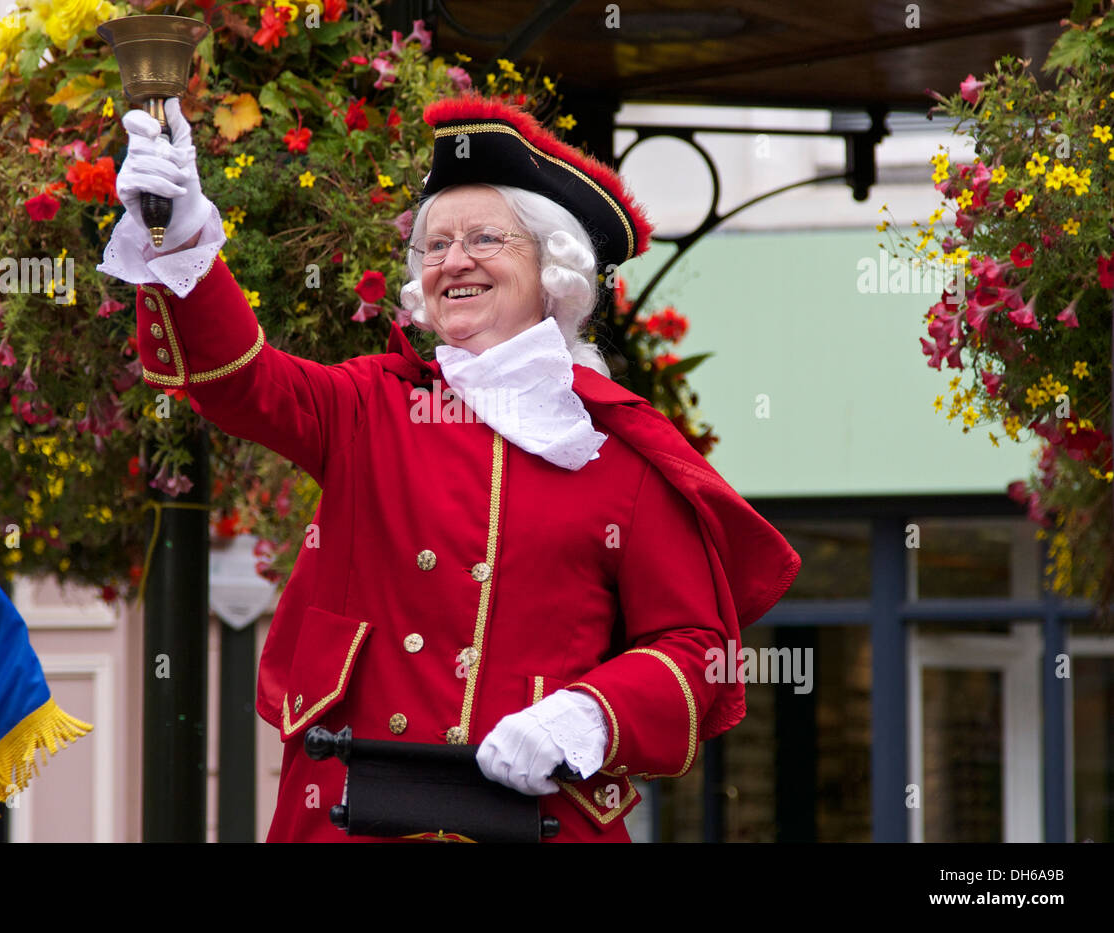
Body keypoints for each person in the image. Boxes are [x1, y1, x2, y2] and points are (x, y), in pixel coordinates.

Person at [98, 94, 801, 842]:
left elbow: (695, 648)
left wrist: (587, 714)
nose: (453, 261)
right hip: (352, 821)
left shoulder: (619, 453)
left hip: (540, 825)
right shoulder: (368, 405)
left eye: (484, 239)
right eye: (434, 245)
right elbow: (236, 378)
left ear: (554, 270)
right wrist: (180, 235)